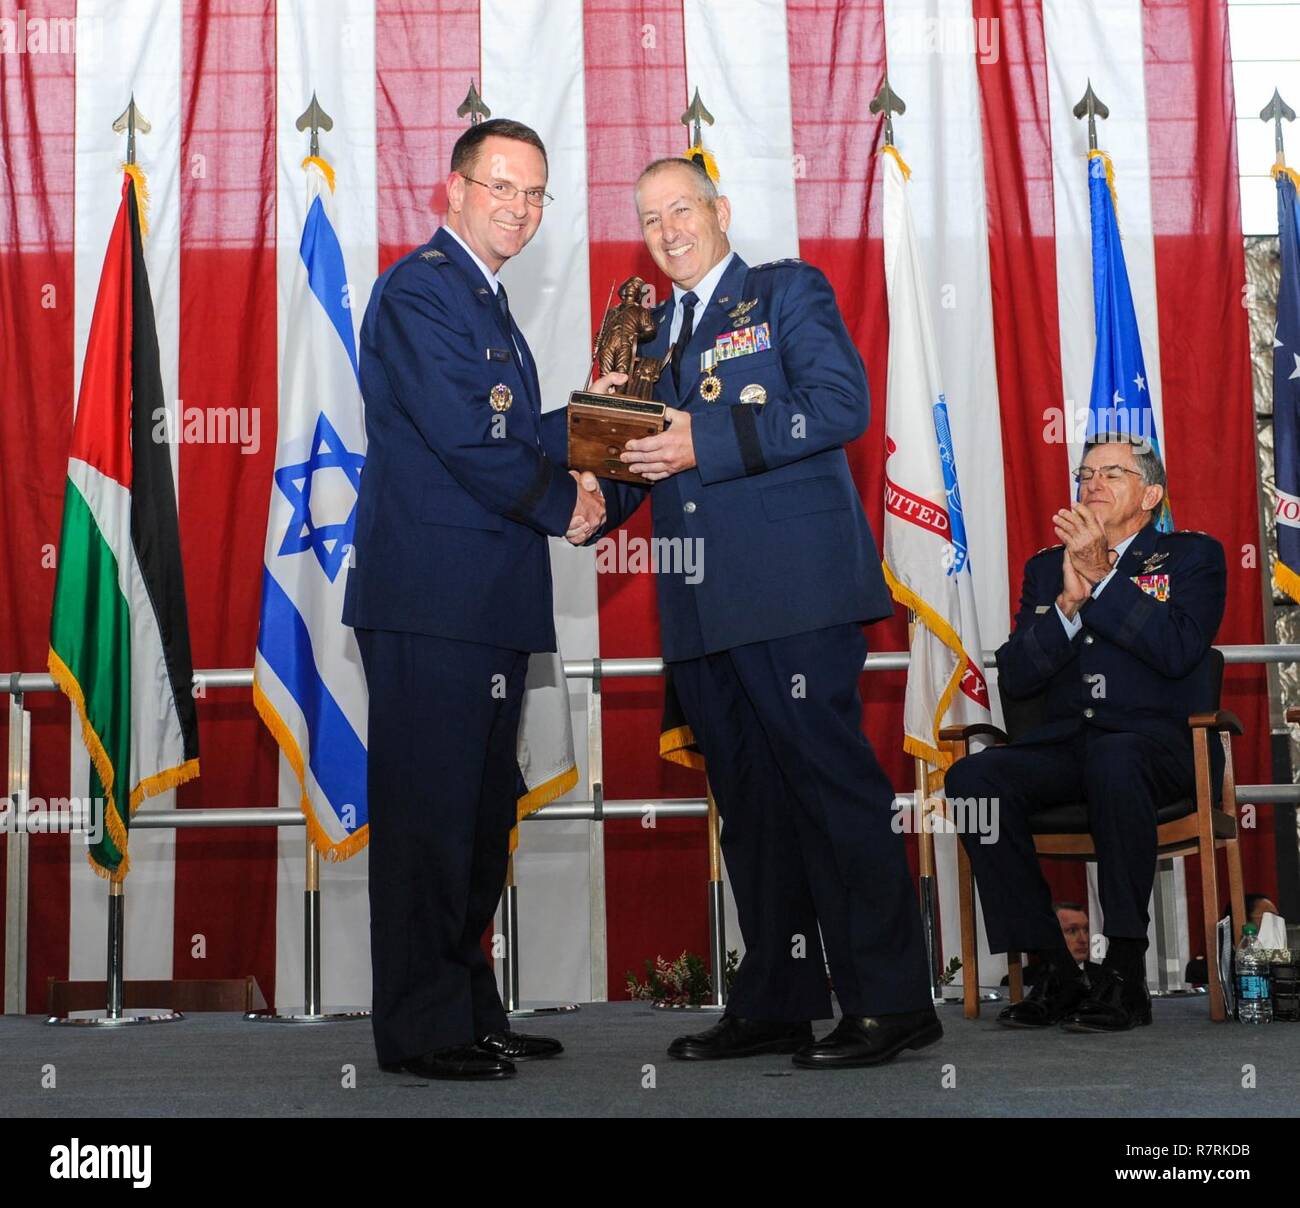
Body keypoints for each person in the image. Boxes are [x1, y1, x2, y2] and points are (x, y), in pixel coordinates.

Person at [592, 156, 940, 1069]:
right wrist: (590, 502)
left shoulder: (787, 292)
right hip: (702, 609)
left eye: (682, 208)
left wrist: (700, 437)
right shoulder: (648, 335)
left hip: (794, 595)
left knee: (833, 795)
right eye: (650, 216)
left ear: (720, 211)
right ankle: (779, 999)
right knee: (751, 812)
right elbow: (643, 456)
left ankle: (892, 1002)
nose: (669, 228)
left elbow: (840, 405)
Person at [343, 118, 614, 1081]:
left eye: (535, 194)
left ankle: (467, 1008)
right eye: (502, 187)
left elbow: (510, 429)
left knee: (478, 818)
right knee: (429, 820)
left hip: (484, 603)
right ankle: (421, 1032)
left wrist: (600, 422)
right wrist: (566, 506)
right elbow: (469, 438)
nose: (520, 208)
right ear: (452, 190)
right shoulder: (422, 288)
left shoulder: (485, 301)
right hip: (431, 601)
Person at [944, 432, 1226, 1033]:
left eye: (1113, 474)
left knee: (1115, 759)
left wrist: (1102, 581)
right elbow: (1016, 677)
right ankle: (1054, 969)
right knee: (974, 778)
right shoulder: (1047, 567)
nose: (1093, 484)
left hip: (1155, 749)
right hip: (1068, 746)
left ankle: (1124, 970)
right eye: (1086, 474)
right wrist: (1068, 609)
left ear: (1150, 494)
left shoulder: (1190, 558)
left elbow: (1179, 651)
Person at [1002, 902, 1103, 987]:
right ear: (1051, 935)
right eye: (1072, 930)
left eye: (1086, 930)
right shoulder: (1020, 981)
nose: (1084, 939)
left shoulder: (1105, 979)